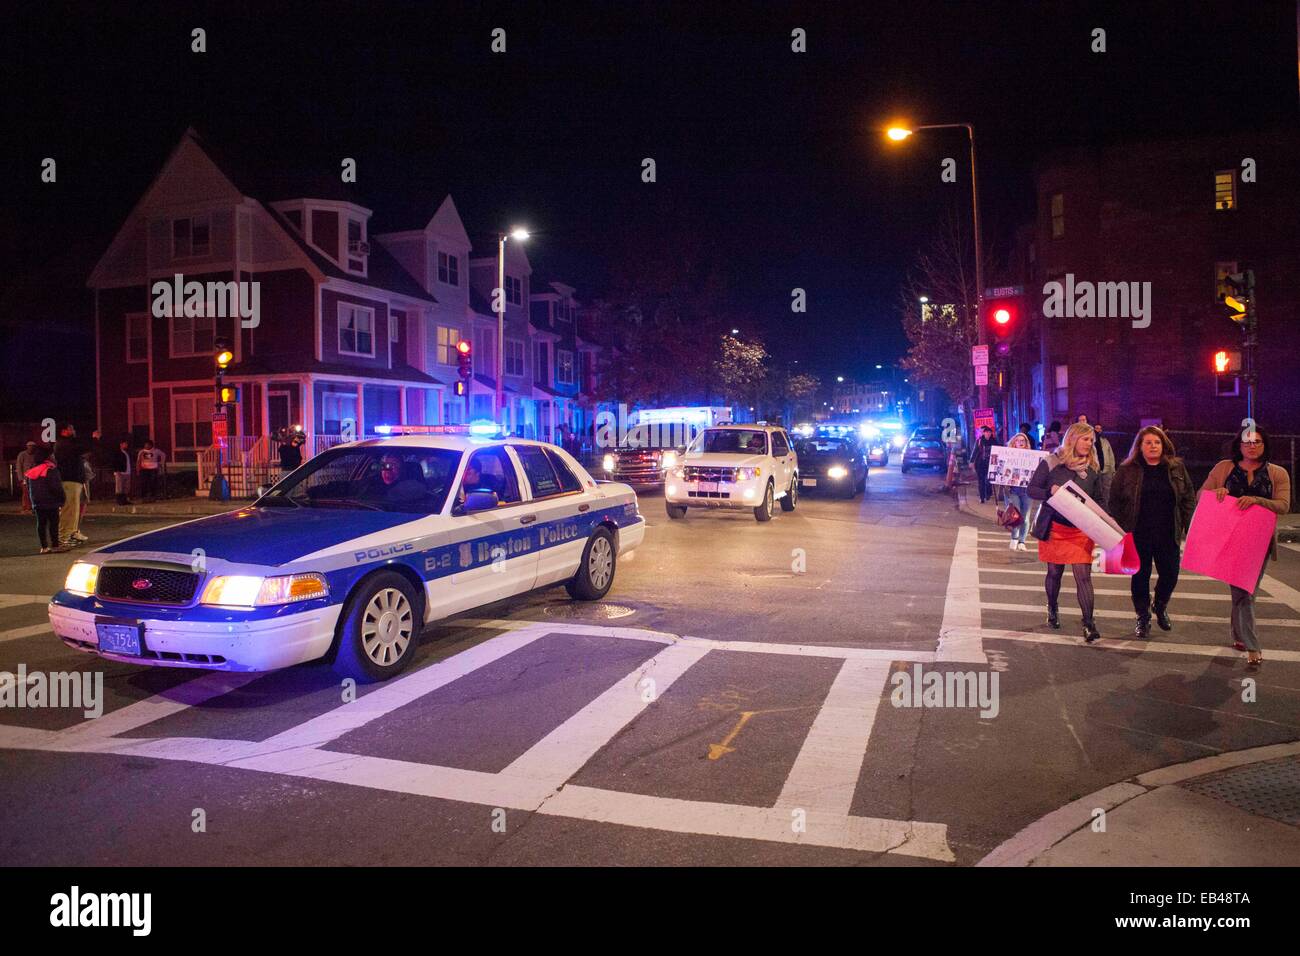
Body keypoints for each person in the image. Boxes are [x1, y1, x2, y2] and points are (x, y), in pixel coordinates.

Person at [1198, 426, 1291, 668]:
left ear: (1264, 445)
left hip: (1258, 541)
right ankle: (1246, 640)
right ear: (1238, 445)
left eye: (1257, 441)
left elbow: (1283, 505)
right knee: (1241, 592)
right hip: (1228, 539)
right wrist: (1217, 492)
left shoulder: (1277, 473)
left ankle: (1247, 641)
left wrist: (1257, 500)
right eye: (1247, 441)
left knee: (1245, 592)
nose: (1252, 445)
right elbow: (1201, 495)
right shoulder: (1224, 468)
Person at [1106, 426, 1197, 639]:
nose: (1153, 446)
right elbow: (1115, 500)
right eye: (1148, 442)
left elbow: (1188, 497)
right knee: (1140, 577)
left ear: (1163, 444)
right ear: (1140, 446)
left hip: (1168, 531)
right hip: (1138, 533)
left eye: (1157, 442)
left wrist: (1189, 523)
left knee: (1170, 574)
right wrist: (1122, 526)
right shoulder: (1127, 469)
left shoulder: (1176, 468)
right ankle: (1142, 616)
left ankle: (1160, 604)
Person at [1028, 421, 1102, 642]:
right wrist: (1051, 492)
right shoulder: (1052, 462)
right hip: (1055, 528)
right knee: (1054, 573)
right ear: (1072, 439)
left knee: (1084, 577)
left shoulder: (1092, 467)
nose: (1089, 443)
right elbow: (1032, 489)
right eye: (1085, 439)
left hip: (1081, 529)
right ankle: (1052, 608)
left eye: (1091, 440)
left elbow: (1099, 500)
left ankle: (1089, 624)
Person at [24, 446, 66, 554]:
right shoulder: (50, 469)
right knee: (53, 524)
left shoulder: (32, 471)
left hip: (38, 502)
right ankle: (55, 546)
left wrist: (33, 503)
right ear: (48, 457)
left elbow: (29, 489)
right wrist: (62, 499)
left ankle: (44, 547)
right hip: (51, 502)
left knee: (41, 524)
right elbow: (56, 487)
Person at [54, 424, 87, 547]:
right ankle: (63, 535)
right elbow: (81, 448)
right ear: (64, 431)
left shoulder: (67, 443)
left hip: (74, 480)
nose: (73, 431)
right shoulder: (63, 444)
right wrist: (94, 439)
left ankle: (72, 532)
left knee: (74, 509)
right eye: (71, 429)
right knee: (68, 509)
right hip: (69, 480)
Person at [1001, 431, 1035, 552]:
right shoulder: (1008, 455)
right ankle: (1014, 538)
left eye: (1023, 441)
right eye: (1018, 441)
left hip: (1027, 491)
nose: (1020, 443)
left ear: (1026, 443)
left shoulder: (1032, 457)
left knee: (1025, 517)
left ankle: (1022, 541)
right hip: (1013, 490)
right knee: (1015, 514)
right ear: (1014, 443)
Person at [1093, 422, 1117, 507]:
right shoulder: (1092, 441)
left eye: (1099, 428)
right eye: (1096, 428)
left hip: (1107, 469)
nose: (1098, 430)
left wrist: (1113, 469)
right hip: (1097, 470)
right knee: (1099, 491)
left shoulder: (1105, 441)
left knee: (1107, 490)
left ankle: (1107, 509)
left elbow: (1111, 455)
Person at [973, 425, 996, 504]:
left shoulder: (994, 441)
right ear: (984, 433)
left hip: (990, 464)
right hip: (980, 464)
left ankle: (988, 494)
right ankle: (982, 497)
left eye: (990, 432)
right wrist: (971, 461)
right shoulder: (979, 441)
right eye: (986, 432)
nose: (988, 434)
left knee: (988, 480)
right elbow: (975, 451)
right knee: (981, 481)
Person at [16, 440, 37, 513]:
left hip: (34, 477)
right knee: (25, 492)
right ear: (27, 447)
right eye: (30, 446)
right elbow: (19, 466)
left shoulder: (36, 455)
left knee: (33, 493)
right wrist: (21, 478)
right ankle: (25, 507)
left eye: (33, 447)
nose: (31, 448)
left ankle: (31, 507)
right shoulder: (22, 455)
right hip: (25, 478)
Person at [112, 439, 132, 505]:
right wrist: (117, 470)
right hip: (120, 472)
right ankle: (119, 501)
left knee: (126, 487)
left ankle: (124, 500)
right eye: (125, 444)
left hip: (127, 472)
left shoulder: (126, 452)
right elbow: (114, 462)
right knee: (119, 487)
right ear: (121, 444)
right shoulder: (117, 452)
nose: (126, 445)